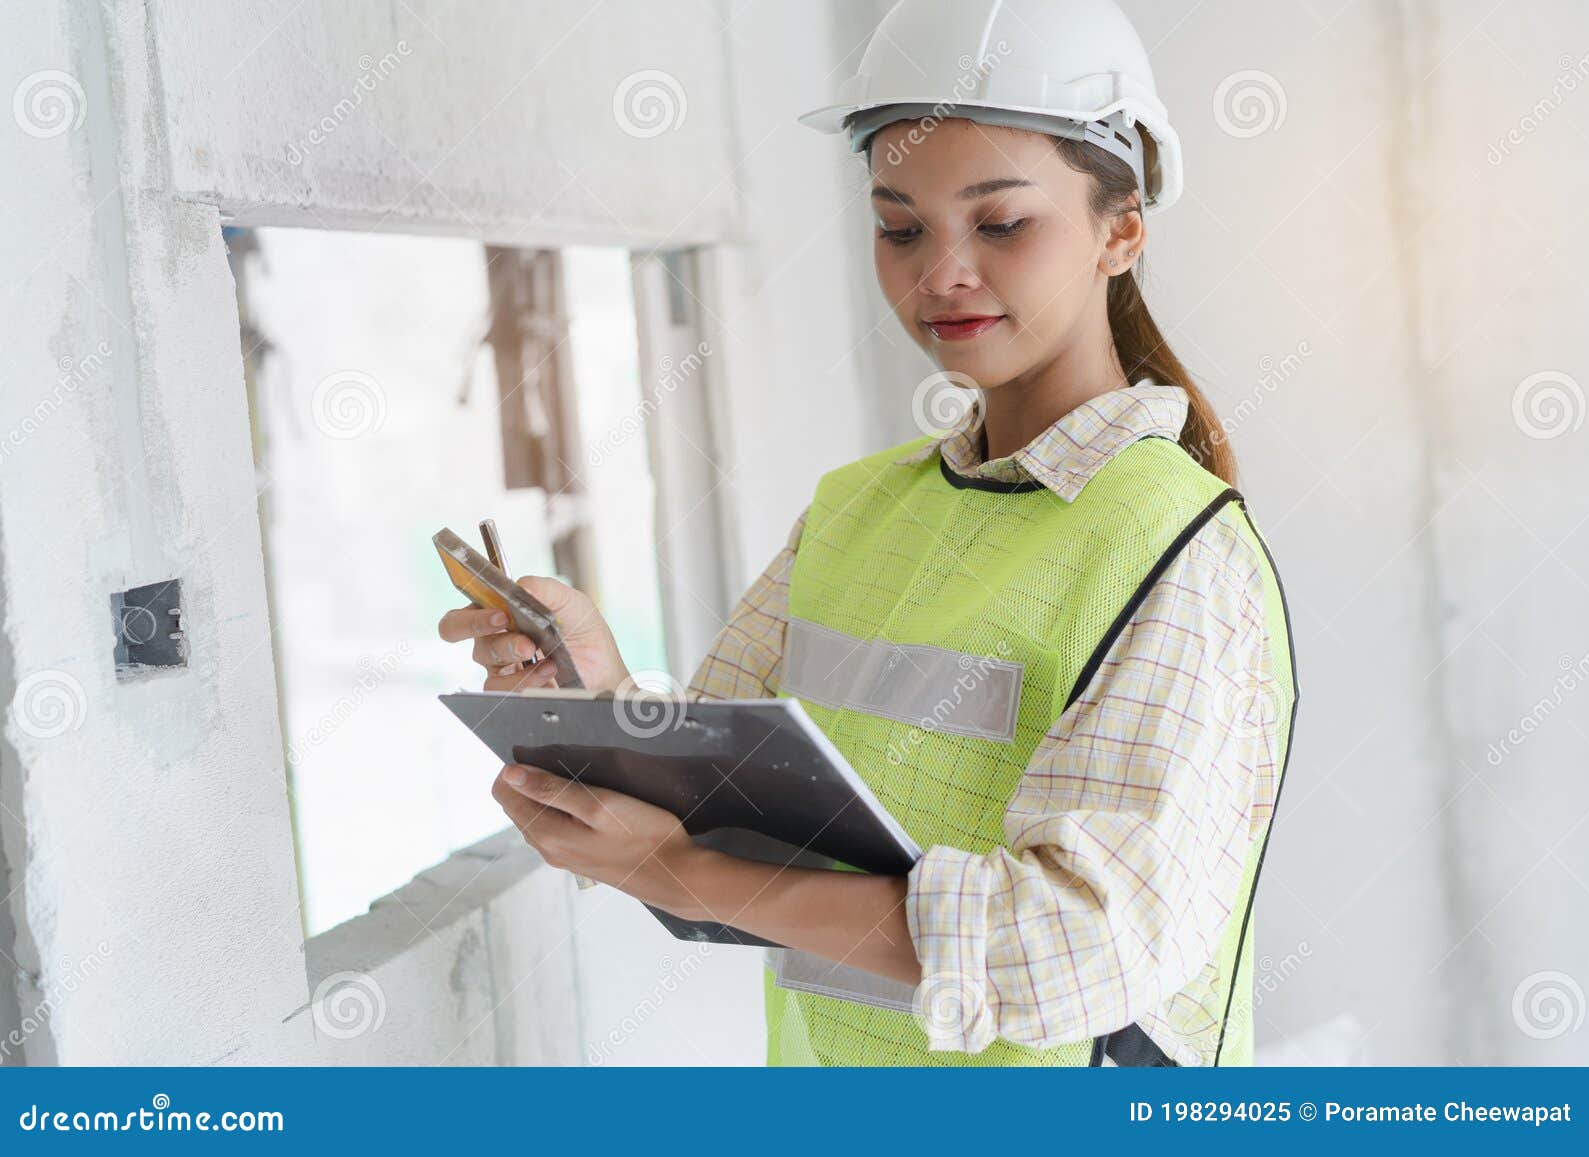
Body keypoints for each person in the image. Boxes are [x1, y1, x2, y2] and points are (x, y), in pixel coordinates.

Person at [437, 0, 1298, 1067]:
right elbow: (729, 786)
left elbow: (1078, 944)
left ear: (1119, 229)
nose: (939, 272)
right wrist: (597, 694)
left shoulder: (1179, 549)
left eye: (1001, 223)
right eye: (900, 227)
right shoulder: (855, 508)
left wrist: (680, 875)